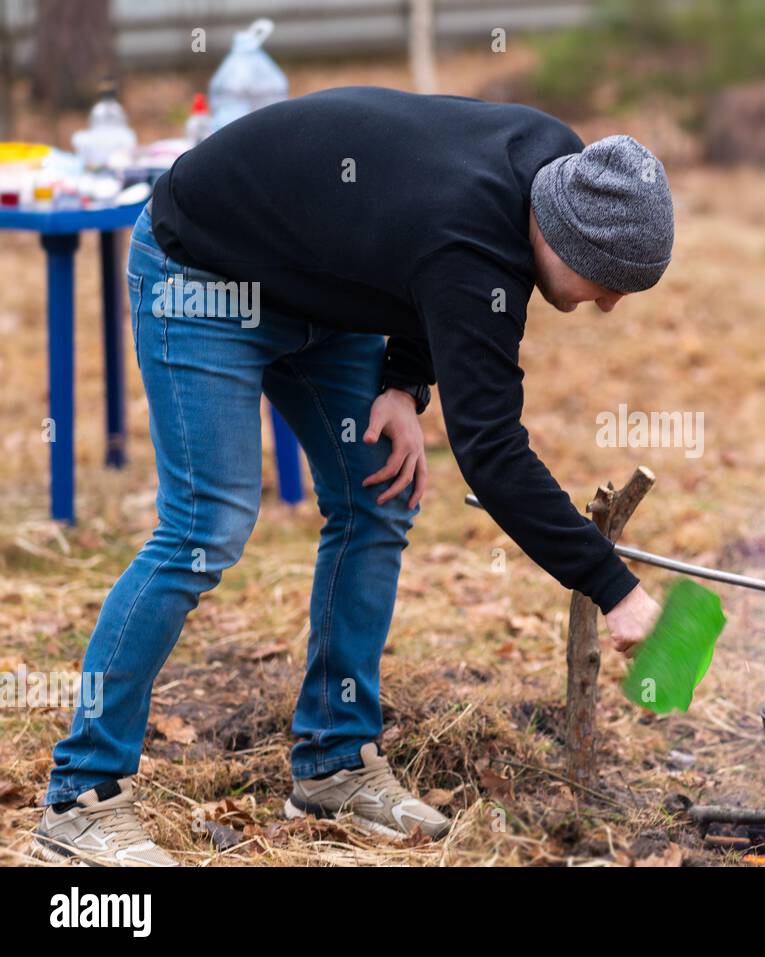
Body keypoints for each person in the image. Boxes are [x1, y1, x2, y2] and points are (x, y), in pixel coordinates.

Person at [35, 87, 673, 866]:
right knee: (206, 525)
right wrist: (613, 584)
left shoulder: (561, 171)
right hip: (199, 270)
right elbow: (493, 450)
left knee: (379, 494)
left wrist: (405, 383)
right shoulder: (472, 243)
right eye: (610, 285)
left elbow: (412, 244)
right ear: (571, 241)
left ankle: (334, 762)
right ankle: (81, 797)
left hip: (315, 286)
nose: (609, 306)